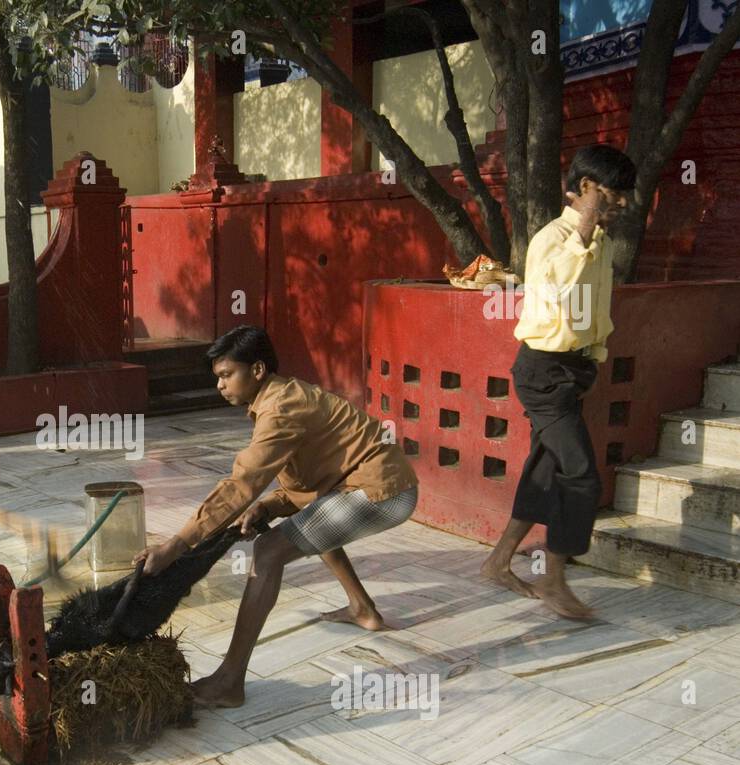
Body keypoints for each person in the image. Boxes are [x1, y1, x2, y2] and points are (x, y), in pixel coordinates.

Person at [135, 325, 419, 707]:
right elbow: (304, 482)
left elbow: (241, 484)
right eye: (216, 377)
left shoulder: (281, 408)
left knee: (270, 550)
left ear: (257, 370)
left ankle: (229, 681)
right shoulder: (280, 396)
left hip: (382, 492)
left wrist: (177, 544)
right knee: (309, 521)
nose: (219, 385)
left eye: (226, 375)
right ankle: (362, 609)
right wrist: (266, 507)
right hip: (367, 485)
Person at [479, 144, 635, 619]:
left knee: (546, 469)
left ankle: (499, 561)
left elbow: (594, 312)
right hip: (543, 373)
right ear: (587, 188)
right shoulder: (554, 238)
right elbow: (563, 292)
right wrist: (586, 224)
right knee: (582, 476)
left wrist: (593, 361)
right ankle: (555, 579)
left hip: (572, 372)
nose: (624, 202)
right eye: (615, 192)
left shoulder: (601, 240)